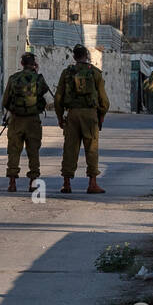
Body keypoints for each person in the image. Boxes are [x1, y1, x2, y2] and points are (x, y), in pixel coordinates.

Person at [54, 44, 109, 194]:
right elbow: (104, 101)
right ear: (86, 56)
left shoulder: (67, 73)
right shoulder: (95, 73)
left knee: (70, 148)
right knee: (91, 148)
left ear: (74, 57)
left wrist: (60, 117)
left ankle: (66, 183)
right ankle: (92, 183)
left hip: (72, 114)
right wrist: (101, 115)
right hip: (90, 115)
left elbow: (58, 97)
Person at [1, 52, 51, 192]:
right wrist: (36, 72)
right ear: (33, 64)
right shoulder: (38, 78)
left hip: (16, 119)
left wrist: (14, 109)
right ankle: (33, 182)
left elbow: (5, 101)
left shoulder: (14, 78)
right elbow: (45, 97)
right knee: (33, 151)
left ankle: (12, 183)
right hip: (33, 120)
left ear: (22, 63)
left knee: (14, 151)